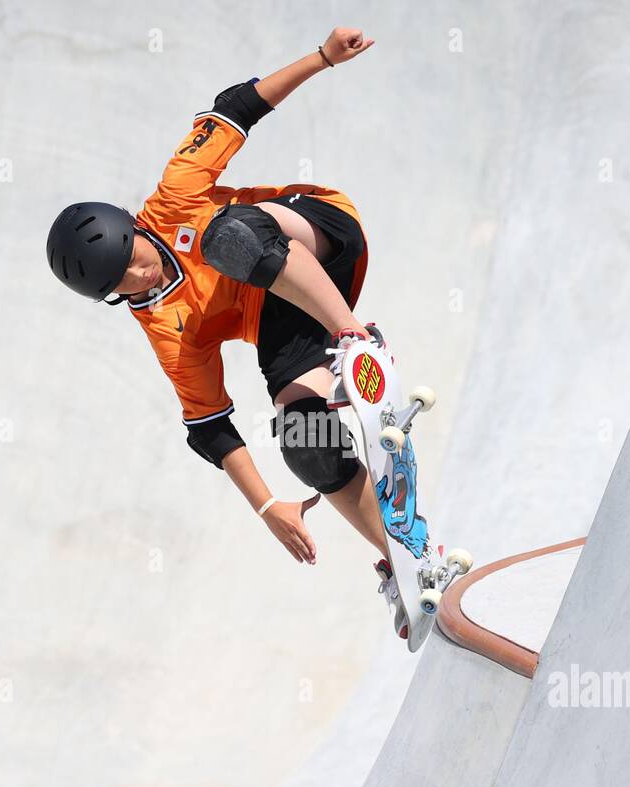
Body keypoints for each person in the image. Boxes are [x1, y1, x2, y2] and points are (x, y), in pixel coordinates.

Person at [48, 28, 414, 632]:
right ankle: (404, 558)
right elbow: (210, 427)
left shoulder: (175, 196)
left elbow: (236, 108)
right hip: (286, 316)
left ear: (133, 227)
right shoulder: (164, 327)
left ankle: (356, 338)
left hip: (319, 236)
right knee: (304, 441)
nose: (141, 275)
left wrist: (322, 59)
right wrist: (268, 505)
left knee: (228, 238)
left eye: (134, 256)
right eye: (125, 284)